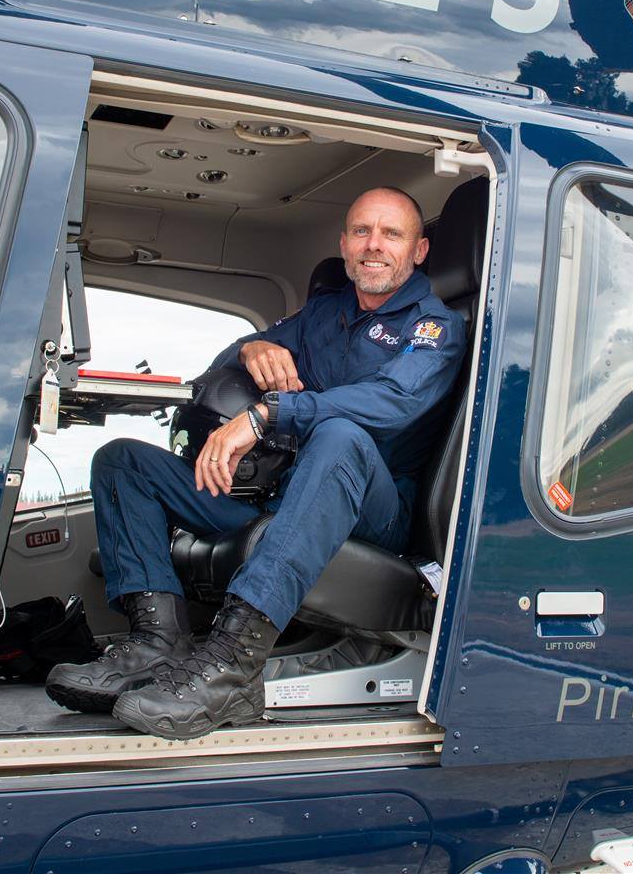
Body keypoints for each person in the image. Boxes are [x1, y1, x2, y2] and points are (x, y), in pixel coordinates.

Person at [46, 186, 466, 740]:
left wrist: (268, 415)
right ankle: (155, 645)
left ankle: (230, 669)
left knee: (341, 435)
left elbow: (391, 402)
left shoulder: (435, 328)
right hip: (286, 499)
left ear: (418, 251)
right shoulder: (324, 312)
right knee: (124, 462)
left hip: (375, 517)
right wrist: (251, 349)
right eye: (362, 231)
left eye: (392, 234)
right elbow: (227, 360)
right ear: (344, 244)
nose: (374, 245)